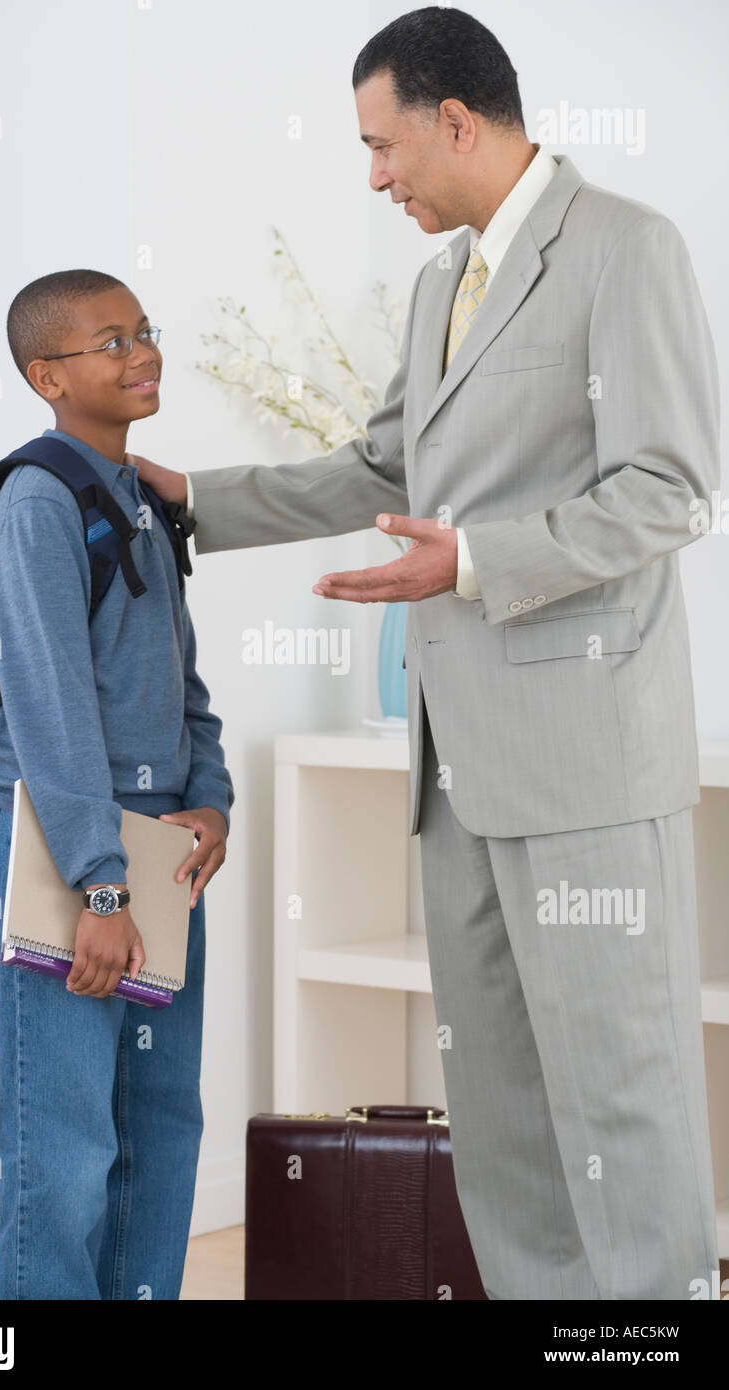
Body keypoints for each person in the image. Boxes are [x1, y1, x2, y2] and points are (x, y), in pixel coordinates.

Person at [132, 8, 721, 1299]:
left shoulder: (626, 251)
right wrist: (196, 502)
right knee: (500, 1118)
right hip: (451, 774)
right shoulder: (438, 284)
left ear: (454, 120)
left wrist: (466, 563)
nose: (373, 177)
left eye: (380, 146)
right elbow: (378, 467)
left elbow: (670, 491)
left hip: (583, 769)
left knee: (621, 1107)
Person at [0, 268, 234, 1300]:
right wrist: (102, 885)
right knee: (64, 1134)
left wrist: (207, 794)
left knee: (160, 1119)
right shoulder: (35, 506)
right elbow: (48, 709)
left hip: (161, 839)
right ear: (46, 375)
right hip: (65, 840)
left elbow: (181, 674)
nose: (143, 354)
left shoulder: (141, 498)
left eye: (144, 332)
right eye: (111, 341)